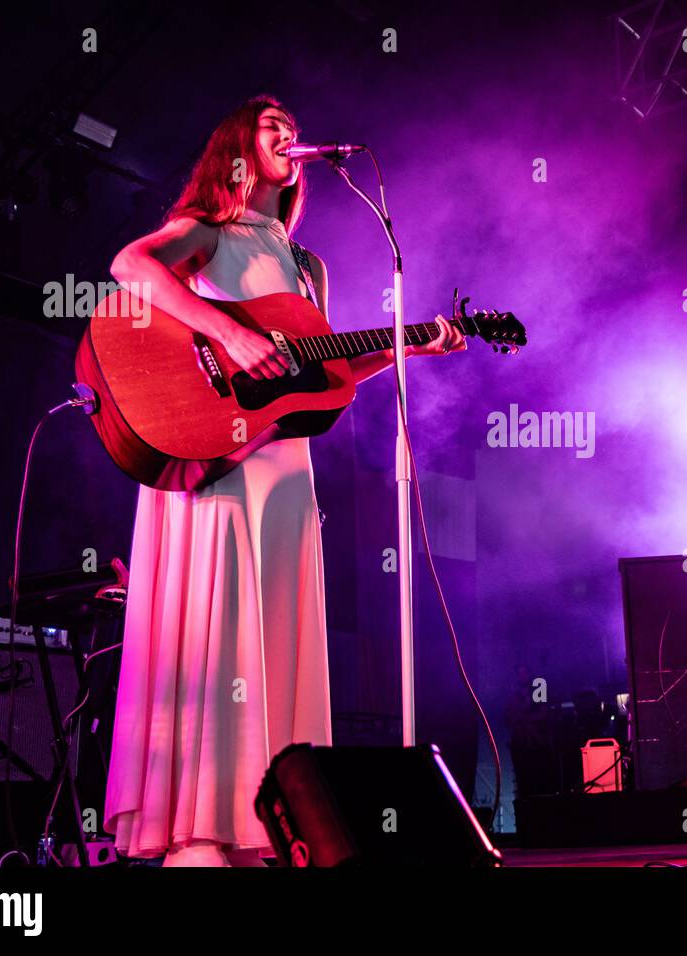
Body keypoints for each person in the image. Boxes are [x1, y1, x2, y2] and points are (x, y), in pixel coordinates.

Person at [102, 95, 465, 867]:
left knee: (272, 625)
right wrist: (227, 330)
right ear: (238, 144)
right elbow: (129, 267)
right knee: (217, 621)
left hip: (283, 461)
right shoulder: (208, 230)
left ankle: (262, 817)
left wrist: (412, 348)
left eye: (294, 132)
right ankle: (196, 829)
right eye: (274, 129)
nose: (291, 139)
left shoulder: (308, 267)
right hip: (214, 444)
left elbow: (326, 371)